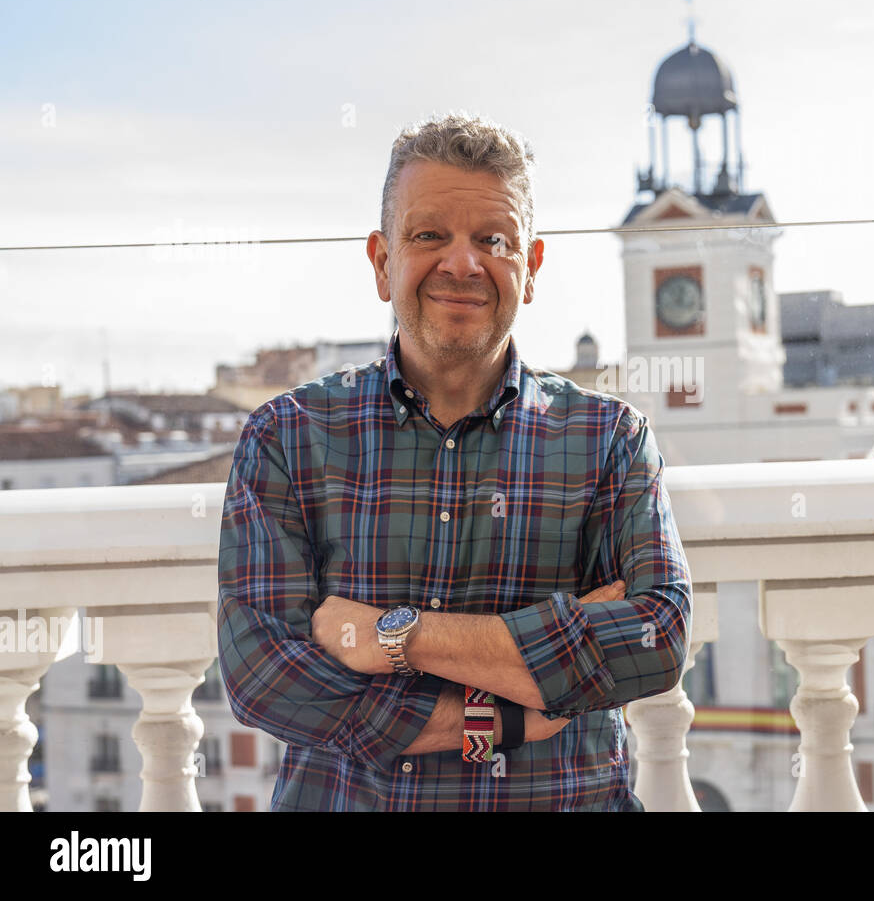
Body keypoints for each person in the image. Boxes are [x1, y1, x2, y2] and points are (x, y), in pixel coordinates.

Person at [216, 111, 692, 810]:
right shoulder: (288, 436)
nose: (462, 263)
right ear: (383, 262)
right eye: (429, 234)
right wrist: (505, 717)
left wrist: (391, 636)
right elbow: (263, 676)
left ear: (529, 269)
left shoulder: (609, 438)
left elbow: (655, 635)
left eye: (492, 240)